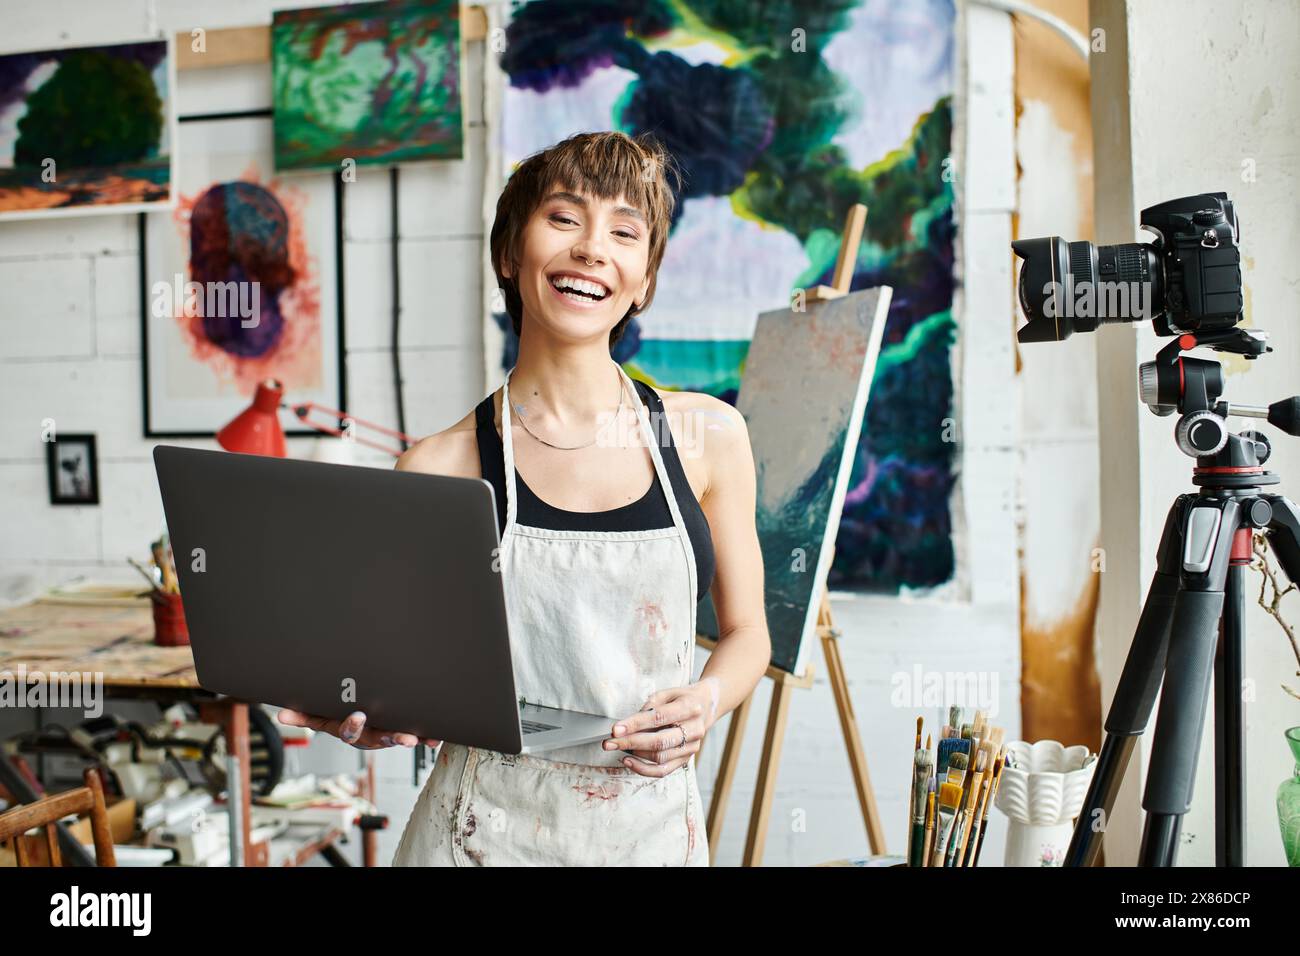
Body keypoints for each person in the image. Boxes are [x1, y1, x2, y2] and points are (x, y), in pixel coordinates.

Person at [278, 130, 770, 866]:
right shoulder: (437, 467)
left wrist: (705, 702)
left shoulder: (710, 437)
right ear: (511, 255)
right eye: (565, 219)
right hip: (477, 834)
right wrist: (366, 712)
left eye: (624, 232)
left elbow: (748, 634)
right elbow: (399, 675)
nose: (591, 248)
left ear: (643, 280)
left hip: (650, 834)